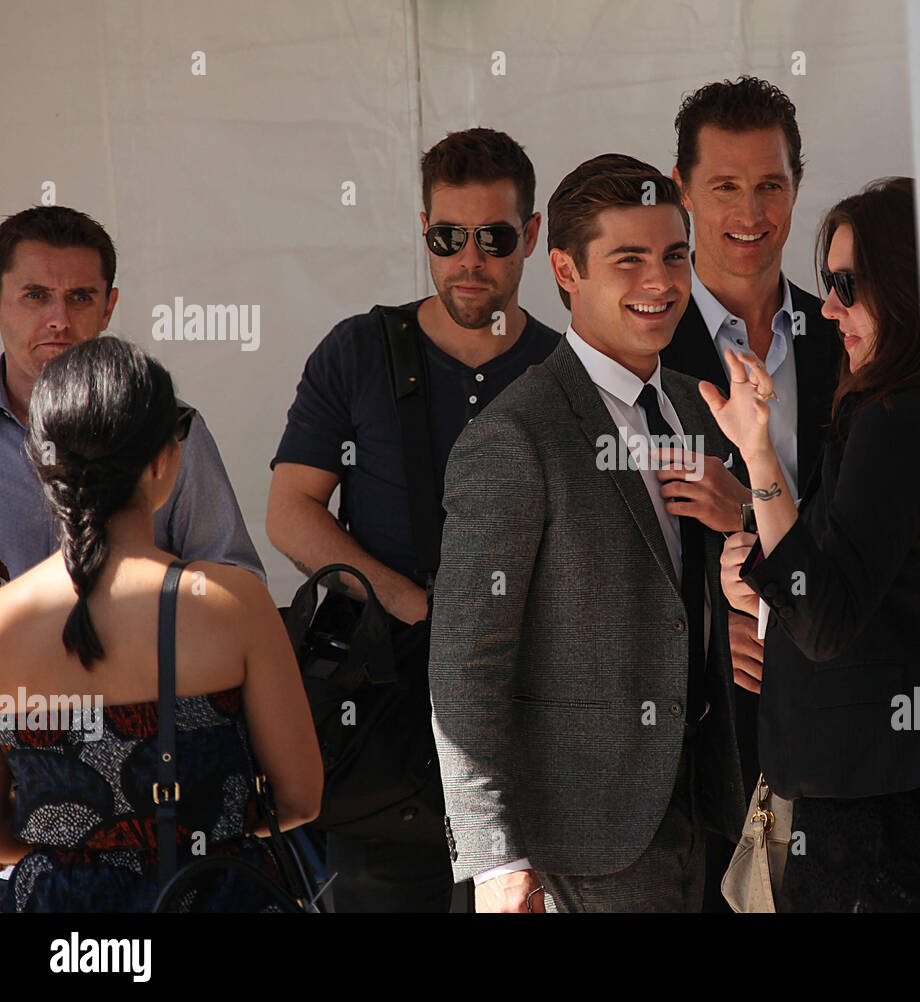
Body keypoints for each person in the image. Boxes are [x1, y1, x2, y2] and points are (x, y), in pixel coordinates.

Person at [429, 153, 747, 913]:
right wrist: (498, 859)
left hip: (705, 820)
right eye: (628, 260)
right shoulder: (515, 436)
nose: (661, 283)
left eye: (675, 256)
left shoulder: (699, 407)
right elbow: (465, 664)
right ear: (566, 271)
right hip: (574, 846)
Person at [267, 128, 561, 912]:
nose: (470, 259)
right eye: (448, 237)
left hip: (529, 725)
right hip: (385, 722)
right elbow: (291, 512)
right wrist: (409, 603)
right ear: (422, 230)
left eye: (494, 238)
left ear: (531, 236)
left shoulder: (566, 371)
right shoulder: (358, 350)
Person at [0, 337, 321, 912]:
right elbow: (299, 799)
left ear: (41, 461)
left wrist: (78, 846)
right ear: (162, 460)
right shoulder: (234, 603)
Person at [709, 177, 920, 912]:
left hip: (866, 811)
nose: (829, 308)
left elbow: (824, 619)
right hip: (878, 800)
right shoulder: (915, 407)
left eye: (849, 285)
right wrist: (756, 589)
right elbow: (861, 590)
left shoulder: (898, 415)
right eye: (827, 284)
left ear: (908, 286)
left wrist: (759, 457)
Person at [663, 75, 844, 907]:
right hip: (687, 760)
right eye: (725, 187)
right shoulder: (634, 351)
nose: (751, 210)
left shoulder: (848, 338)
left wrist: (749, 514)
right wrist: (712, 631)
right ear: (682, 194)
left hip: (835, 734)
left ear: (797, 188)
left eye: (770, 184)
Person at [0, 205, 263, 587]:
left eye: (80, 298)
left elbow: (236, 585)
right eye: (36, 296)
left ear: (108, 309)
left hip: (143, 648)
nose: (59, 318)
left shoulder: (167, 427)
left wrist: (139, 611)